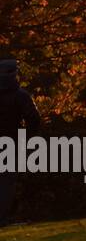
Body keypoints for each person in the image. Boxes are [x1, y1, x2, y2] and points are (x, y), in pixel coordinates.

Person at [0, 60, 41, 226]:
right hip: (11, 143)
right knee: (6, 182)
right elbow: (34, 118)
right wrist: (28, 138)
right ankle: (1, 218)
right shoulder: (21, 96)